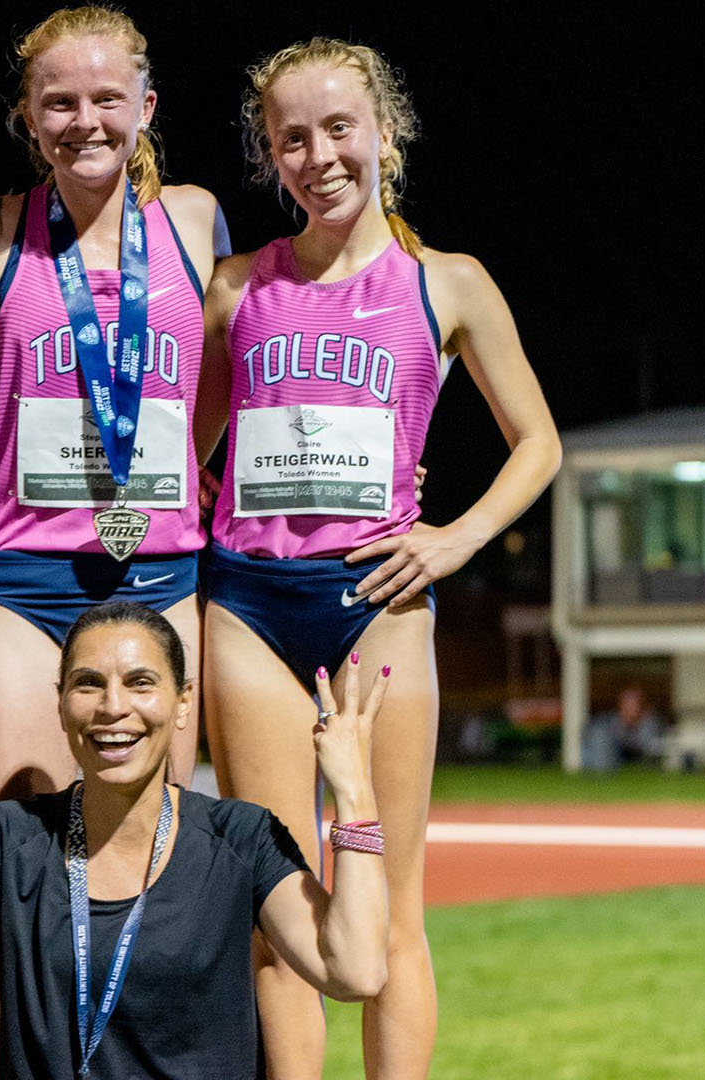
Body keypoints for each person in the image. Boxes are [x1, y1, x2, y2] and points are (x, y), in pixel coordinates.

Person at [194, 38, 562, 1078]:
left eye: (338, 129)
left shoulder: (448, 285)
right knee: (278, 910)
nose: (318, 156)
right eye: (291, 139)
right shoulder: (236, 287)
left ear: (385, 136)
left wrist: (456, 540)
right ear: (272, 158)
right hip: (251, 609)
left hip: (379, 602)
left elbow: (538, 442)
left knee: (392, 905)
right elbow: (189, 451)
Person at [0, 10, 225, 1067]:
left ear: (145, 108)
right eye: (58, 100)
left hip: (160, 579)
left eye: (108, 98)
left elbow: (239, 375)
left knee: (149, 872)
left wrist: (178, 472)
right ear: (27, 115)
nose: (84, 120)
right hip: (25, 579)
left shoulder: (198, 222)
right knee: (4, 875)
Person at [0, 602, 391, 1078]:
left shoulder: (242, 839)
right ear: (61, 702)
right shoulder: (4, 837)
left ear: (183, 703)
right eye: (88, 683)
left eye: (141, 683)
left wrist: (354, 793)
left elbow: (355, 970)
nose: (113, 706)